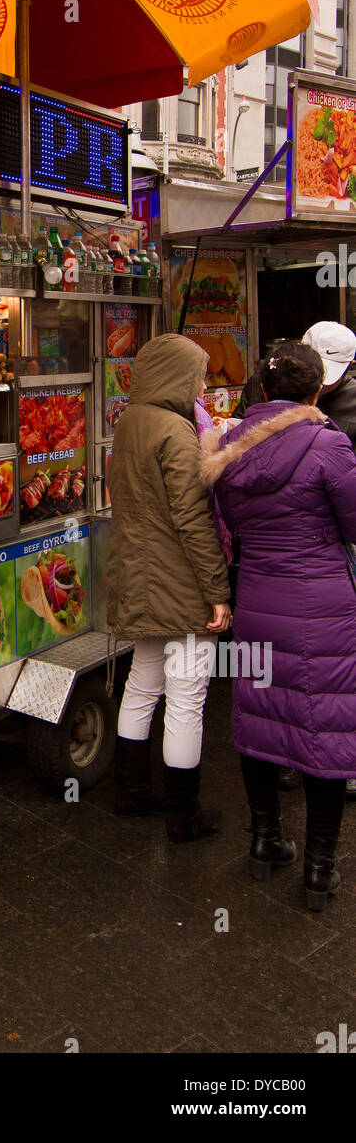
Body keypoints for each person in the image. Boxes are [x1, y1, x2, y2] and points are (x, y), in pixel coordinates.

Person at [202, 341, 356, 910]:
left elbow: (234, 525)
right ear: (319, 391)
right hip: (323, 607)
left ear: (263, 392)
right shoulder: (328, 445)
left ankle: (265, 842)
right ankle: (319, 869)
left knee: (260, 718)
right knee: (327, 730)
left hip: (257, 599)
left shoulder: (227, 451)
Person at [108, 334, 231, 842]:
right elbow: (193, 519)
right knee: (186, 697)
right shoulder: (176, 431)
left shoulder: (130, 420)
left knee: (142, 682)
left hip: (136, 575)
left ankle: (131, 793)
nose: (204, 384)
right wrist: (218, 590)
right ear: (179, 377)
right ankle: (184, 814)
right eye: (199, 375)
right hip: (179, 580)